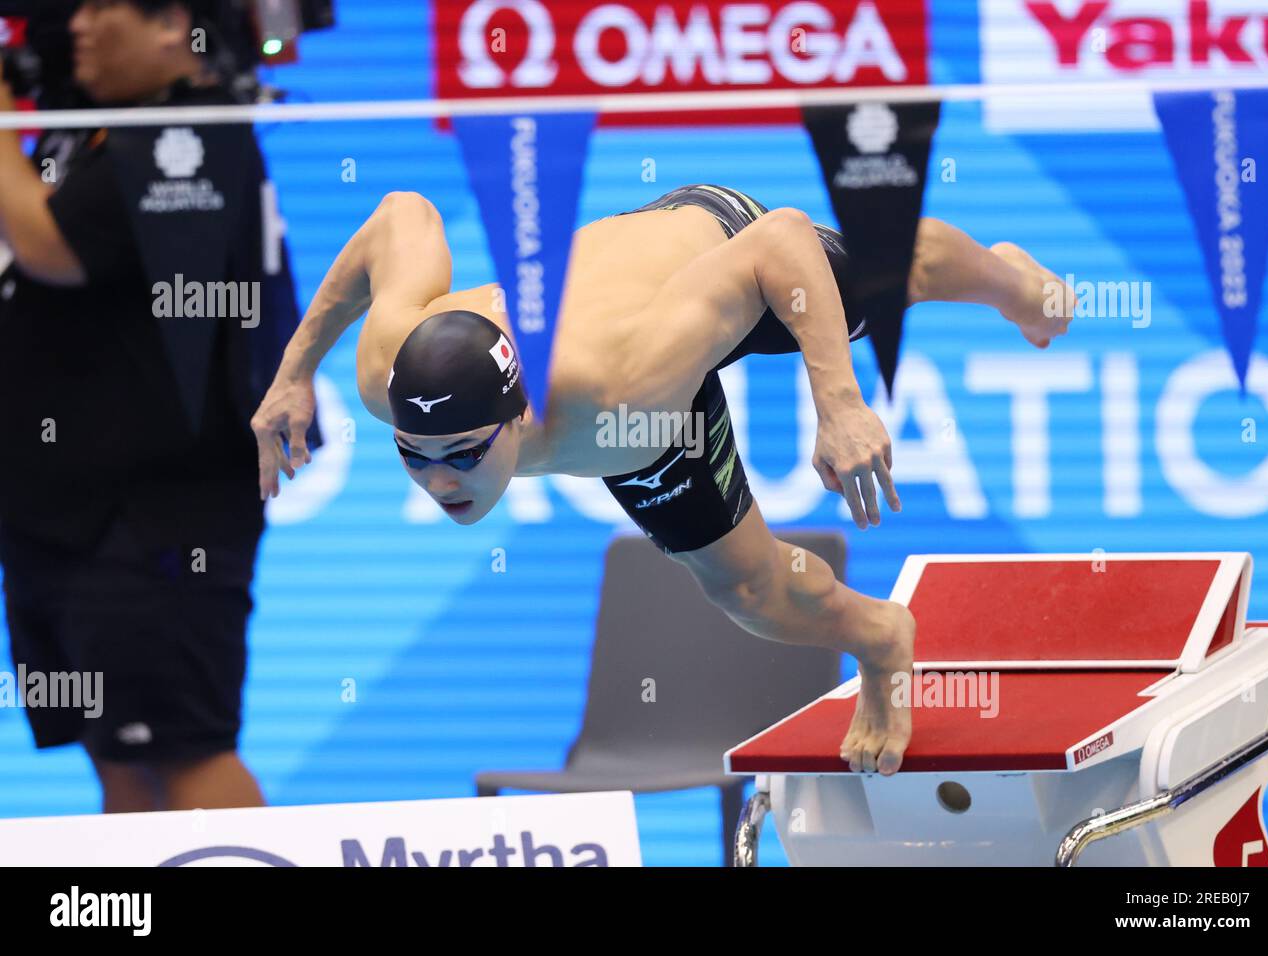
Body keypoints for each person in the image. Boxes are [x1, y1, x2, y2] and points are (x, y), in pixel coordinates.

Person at [253, 183, 1074, 775]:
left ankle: (1012, 280)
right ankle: (882, 637)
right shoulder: (383, 370)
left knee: (887, 282)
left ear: (517, 415)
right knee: (751, 595)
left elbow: (779, 236)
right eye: (415, 455)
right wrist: (293, 374)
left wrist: (840, 403)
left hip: (720, 259)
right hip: (630, 397)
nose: (439, 482)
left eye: (465, 452)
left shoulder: (620, 378)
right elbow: (402, 213)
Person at [0, 0, 302, 811]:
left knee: (186, 754)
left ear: (176, 25)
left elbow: (53, 248)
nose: (77, 27)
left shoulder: (190, 136)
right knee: (120, 759)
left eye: (103, 8)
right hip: (59, 523)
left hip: (156, 524)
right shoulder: (87, 128)